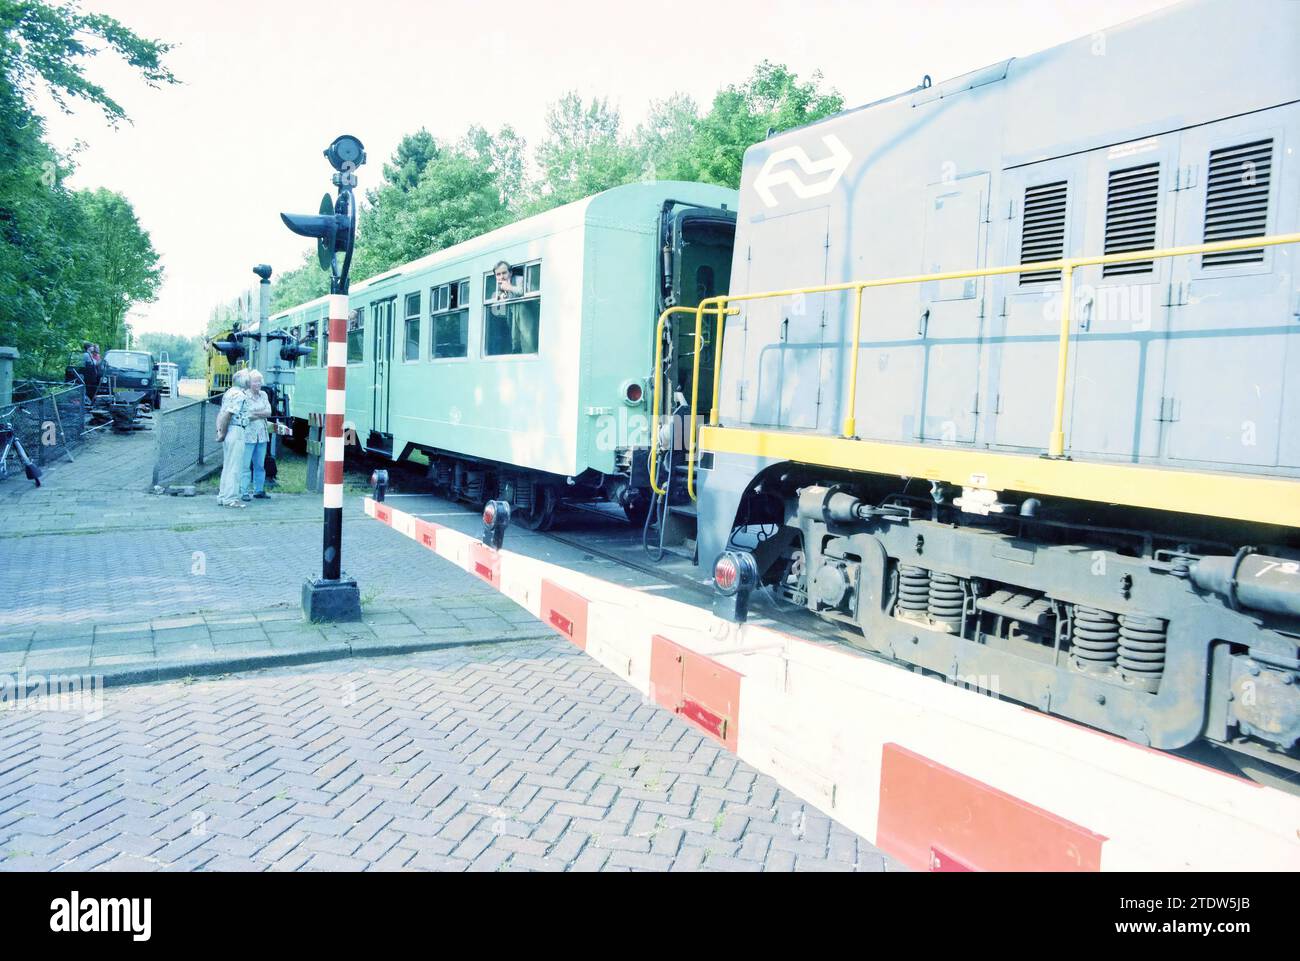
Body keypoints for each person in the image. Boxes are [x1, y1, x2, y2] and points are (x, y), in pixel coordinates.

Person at [214, 369, 251, 508]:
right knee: (235, 466)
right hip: (237, 430)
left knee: (228, 465)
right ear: (243, 380)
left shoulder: (229, 393)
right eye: (248, 378)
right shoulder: (240, 395)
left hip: (229, 430)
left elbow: (221, 414)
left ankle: (223, 496)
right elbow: (228, 414)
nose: (250, 380)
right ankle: (231, 499)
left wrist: (220, 431)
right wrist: (222, 433)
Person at [240, 369, 273, 501]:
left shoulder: (264, 395)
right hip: (248, 435)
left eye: (259, 381)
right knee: (245, 464)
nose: (258, 384)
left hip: (262, 435)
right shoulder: (244, 395)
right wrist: (261, 412)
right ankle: (244, 491)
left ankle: (259, 490)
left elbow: (269, 412)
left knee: (260, 464)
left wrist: (256, 413)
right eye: (255, 381)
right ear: (249, 383)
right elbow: (246, 415)